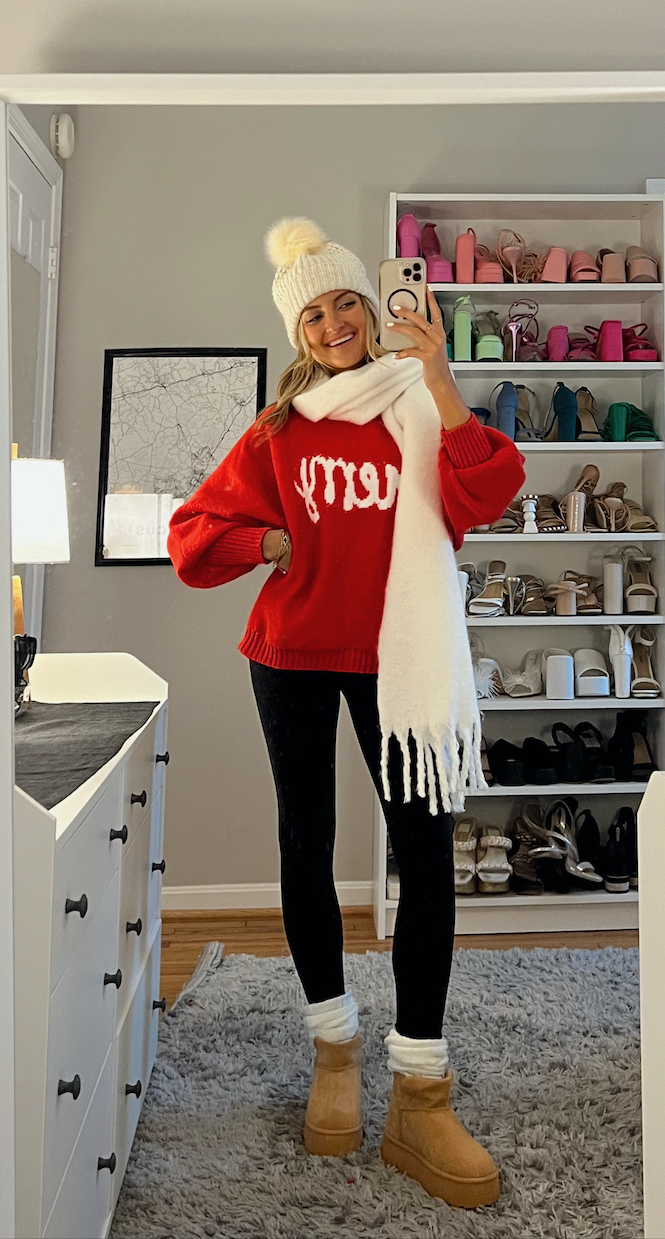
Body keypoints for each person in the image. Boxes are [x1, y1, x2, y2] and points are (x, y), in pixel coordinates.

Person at [167, 218, 524, 1208]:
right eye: (312, 314)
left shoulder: (416, 404)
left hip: (396, 662)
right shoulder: (280, 429)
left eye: (344, 304)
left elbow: (490, 489)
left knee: (426, 850)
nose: (332, 325)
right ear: (297, 330)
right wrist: (264, 542)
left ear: (373, 305)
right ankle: (333, 1045)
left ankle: (420, 1083)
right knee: (305, 841)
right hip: (290, 655)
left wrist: (441, 379)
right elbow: (192, 538)